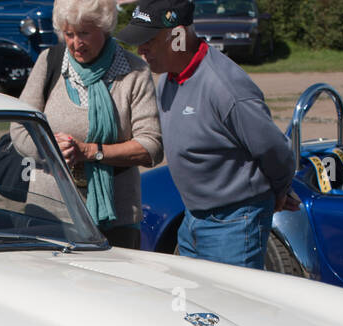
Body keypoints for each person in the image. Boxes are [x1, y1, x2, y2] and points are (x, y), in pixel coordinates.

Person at [119, 0, 297, 269]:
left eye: (149, 40)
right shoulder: (169, 77)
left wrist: (280, 189)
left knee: (232, 305)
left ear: (177, 36)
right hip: (194, 217)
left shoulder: (225, 86)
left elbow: (274, 149)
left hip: (235, 223)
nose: (141, 50)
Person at [16, 0, 161, 248]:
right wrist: (51, 149)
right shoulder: (49, 62)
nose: (75, 43)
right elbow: (19, 130)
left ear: (104, 28)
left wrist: (90, 152)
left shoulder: (134, 72)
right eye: (68, 34)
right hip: (48, 214)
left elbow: (151, 146)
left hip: (117, 217)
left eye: (84, 33)